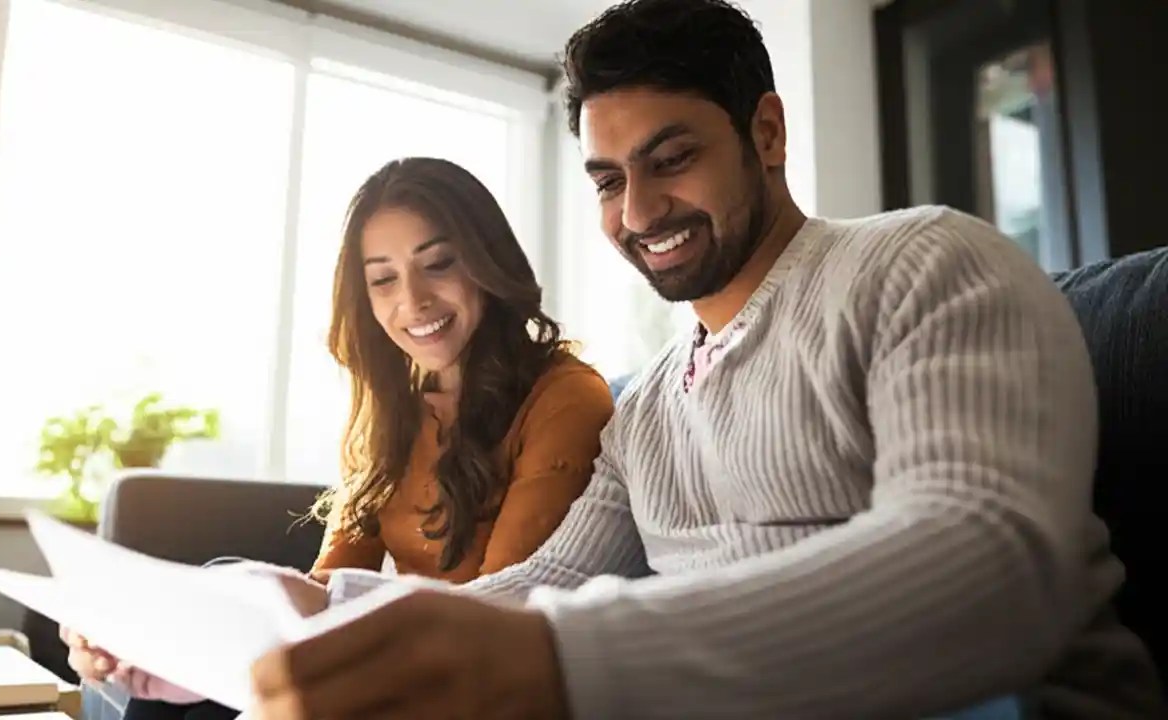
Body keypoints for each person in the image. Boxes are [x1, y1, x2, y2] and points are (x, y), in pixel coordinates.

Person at [246, 1, 1166, 718]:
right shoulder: (644, 408)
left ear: (766, 133)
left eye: (671, 159)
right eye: (609, 180)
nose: (640, 211)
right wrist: (314, 614)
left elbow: (987, 565)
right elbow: (545, 583)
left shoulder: (925, 263)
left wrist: (563, 661)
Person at [61, 158, 615, 717]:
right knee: (206, 615)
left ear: (486, 262)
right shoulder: (392, 403)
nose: (413, 300)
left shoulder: (566, 397)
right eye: (383, 279)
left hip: (468, 676)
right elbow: (329, 577)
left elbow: (501, 612)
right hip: (385, 652)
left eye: (439, 263)